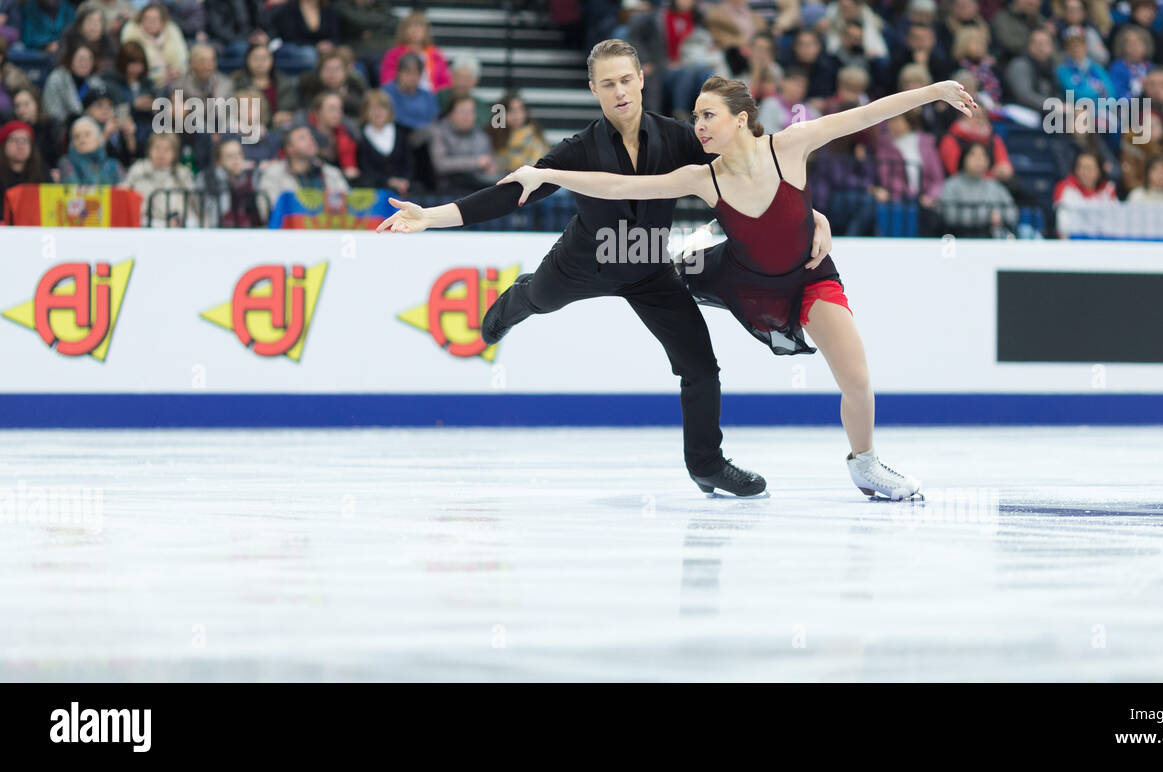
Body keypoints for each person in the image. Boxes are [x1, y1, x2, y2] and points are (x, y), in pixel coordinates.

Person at [377, 39, 836, 498]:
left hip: (650, 269)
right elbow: (513, 192)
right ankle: (517, 298)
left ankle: (707, 465)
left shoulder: (680, 138)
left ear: (641, 80)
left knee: (700, 365)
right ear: (593, 89)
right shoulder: (578, 149)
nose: (620, 92)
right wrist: (432, 217)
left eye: (626, 80)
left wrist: (811, 216)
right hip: (583, 262)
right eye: (608, 84)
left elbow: (745, 173)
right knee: (538, 297)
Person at [496, 69, 976, 499]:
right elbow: (619, 186)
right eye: (695, 116)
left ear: (742, 119)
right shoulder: (702, 177)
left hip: (809, 277)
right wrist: (545, 175)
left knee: (856, 378)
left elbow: (866, 114)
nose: (698, 126)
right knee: (682, 267)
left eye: (708, 116)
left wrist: (935, 91)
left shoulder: (792, 144)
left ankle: (865, 465)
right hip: (749, 281)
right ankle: (707, 457)